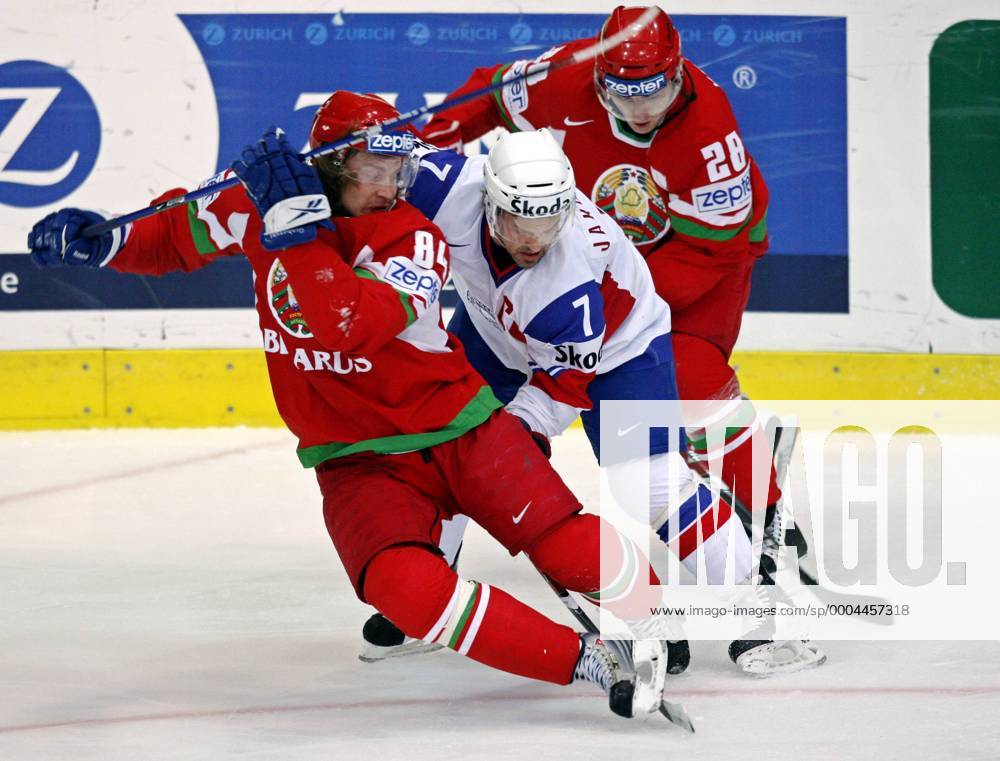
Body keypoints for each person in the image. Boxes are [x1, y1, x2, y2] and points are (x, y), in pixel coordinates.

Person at [25, 91, 681, 720]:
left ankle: (658, 615)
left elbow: (347, 321)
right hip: (358, 458)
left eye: (397, 171)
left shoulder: (413, 238)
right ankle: (590, 659)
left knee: (559, 539)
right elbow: (173, 237)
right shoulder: (261, 207)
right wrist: (104, 241)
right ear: (331, 163)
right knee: (402, 588)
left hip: (462, 427)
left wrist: (296, 233)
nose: (388, 188)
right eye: (372, 171)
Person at [362, 129, 825, 676]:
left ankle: (773, 613)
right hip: (495, 330)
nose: (534, 240)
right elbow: (372, 155)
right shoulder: (447, 183)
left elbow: (561, 386)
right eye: (519, 222)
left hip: (619, 351)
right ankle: (432, 584)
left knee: (647, 485)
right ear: (489, 200)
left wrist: (517, 440)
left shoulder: (568, 285)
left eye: (549, 222)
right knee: (443, 440)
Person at [420, 6, 804, 607]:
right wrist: (421, 144)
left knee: (694, 381)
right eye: (623, 97)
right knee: (453, 414)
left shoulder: (709, 136)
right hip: (570, 261)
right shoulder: (565, 78)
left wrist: (603, 300)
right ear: (600, 80)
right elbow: (491, 92)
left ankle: (768, 511)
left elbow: (715, 249)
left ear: (678, 75)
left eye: (655, 93)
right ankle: (431, 568)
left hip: (696, 263)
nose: (641, 112)